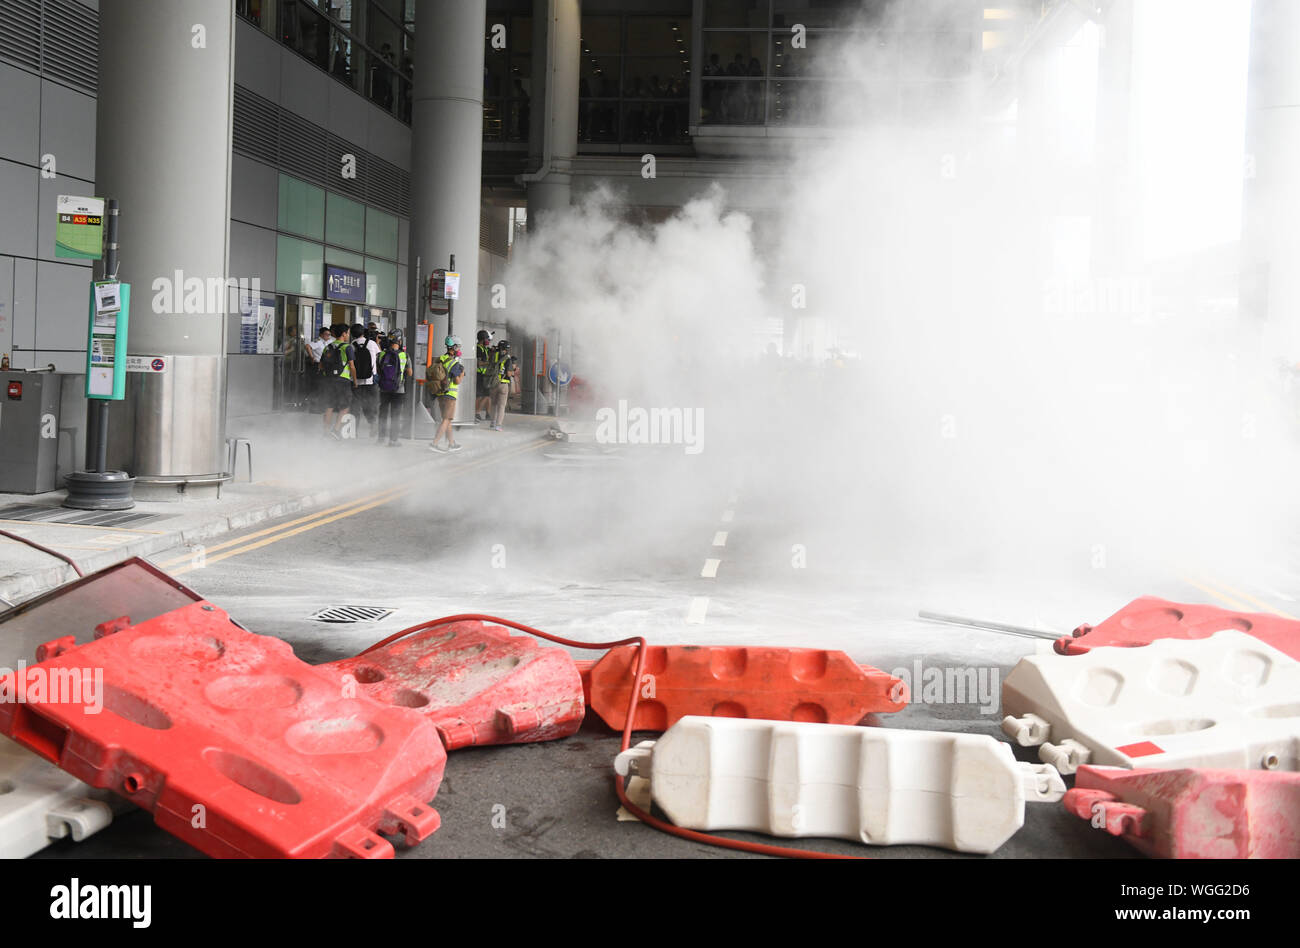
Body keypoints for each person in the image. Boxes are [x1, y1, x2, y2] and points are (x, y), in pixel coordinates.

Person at [428, 335, 465, 453]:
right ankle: (434, 443)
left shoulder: (440, 359)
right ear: (453, 347)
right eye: (458, 347)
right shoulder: (454, 363)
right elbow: (457, 381)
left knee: (447, 419)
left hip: (440, 394)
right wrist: (462, 373)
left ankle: (451, 443)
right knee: (446, 419)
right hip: (450, 395)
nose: (459, 350)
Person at [375, 331, 412, 446]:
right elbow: (410, 373)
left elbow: (378, 370)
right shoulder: (404, 355)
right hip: (398, 389)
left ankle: (381, 438)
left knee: (383, 413)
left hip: (383, 389)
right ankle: (393, 440)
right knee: (395, 414)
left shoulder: (381, 355)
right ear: (399, 341)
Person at [346, 322, 382, 440]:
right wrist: (377, 343)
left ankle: (353, 432)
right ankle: (372, 425)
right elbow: (379, 355)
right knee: (371, 405)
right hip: (371, 381)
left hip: (356, 381)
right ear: (363, 332)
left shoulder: (351, 345)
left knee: (355, 407)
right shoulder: (372, 344)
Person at [320, 324, 352, 439]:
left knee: (330, 406)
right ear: (343, 334)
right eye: (348, 333)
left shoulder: (328, 346)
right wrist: (355, 381)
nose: (348, 335)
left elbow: (321, 364)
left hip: (329, 380)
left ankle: (325, 431)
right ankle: (336, 430)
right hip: (343, 380)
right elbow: (352, 366)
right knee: (345, 406)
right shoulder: (347, 347)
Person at [489, 339, 519, 431]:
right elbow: (509, 374)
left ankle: (492, 422)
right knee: (501, 406)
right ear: (507, 349)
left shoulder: (494, 356)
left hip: (493, 383)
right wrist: (513, 369)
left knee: (493, 404)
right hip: (503, 384)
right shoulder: (508, 359)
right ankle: (498, 425)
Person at [475, 329, 494, 421]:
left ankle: (488, 414)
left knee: (488, 395)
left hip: (485, 376)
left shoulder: (485, 349)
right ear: (483, 339)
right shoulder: (478, 349)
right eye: (487, 339)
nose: (488, 341)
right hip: (480, 375)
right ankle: (476, 413)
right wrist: (489, 363)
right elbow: (478, 363)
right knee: (479, 395)